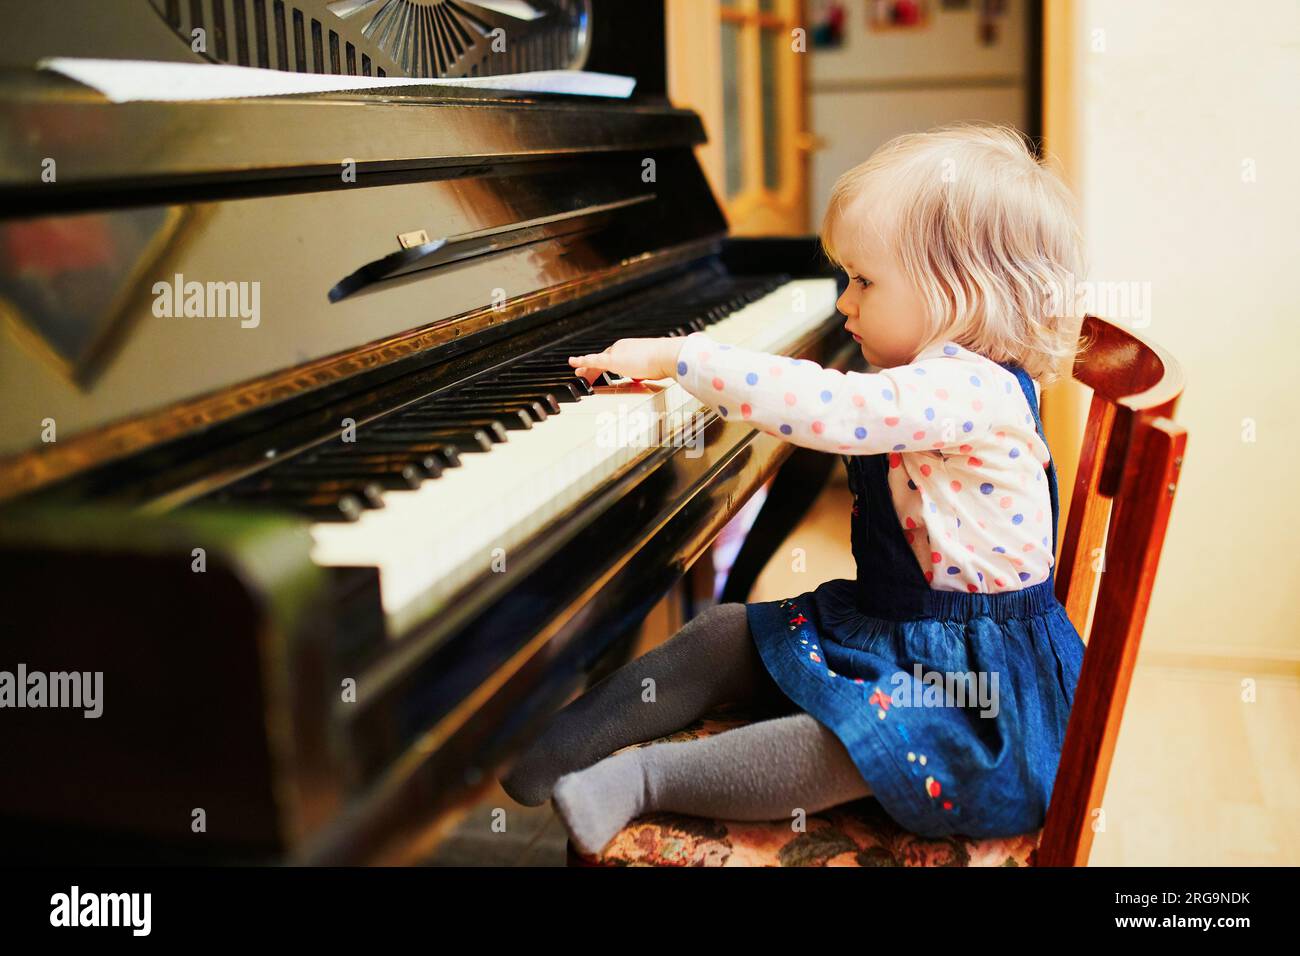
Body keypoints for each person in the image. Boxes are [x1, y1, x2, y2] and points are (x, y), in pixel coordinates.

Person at [500, 123, 1089, 857]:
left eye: (865, 282)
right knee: (725, 633)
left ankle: (643, 781)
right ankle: (549, 751)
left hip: (971, 687)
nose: (845, 303)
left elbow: (832, 408)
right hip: (897, 629)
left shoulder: (970, 390)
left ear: (957, 293)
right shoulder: (937, 379)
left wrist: (686, 358)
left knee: (852, 744)